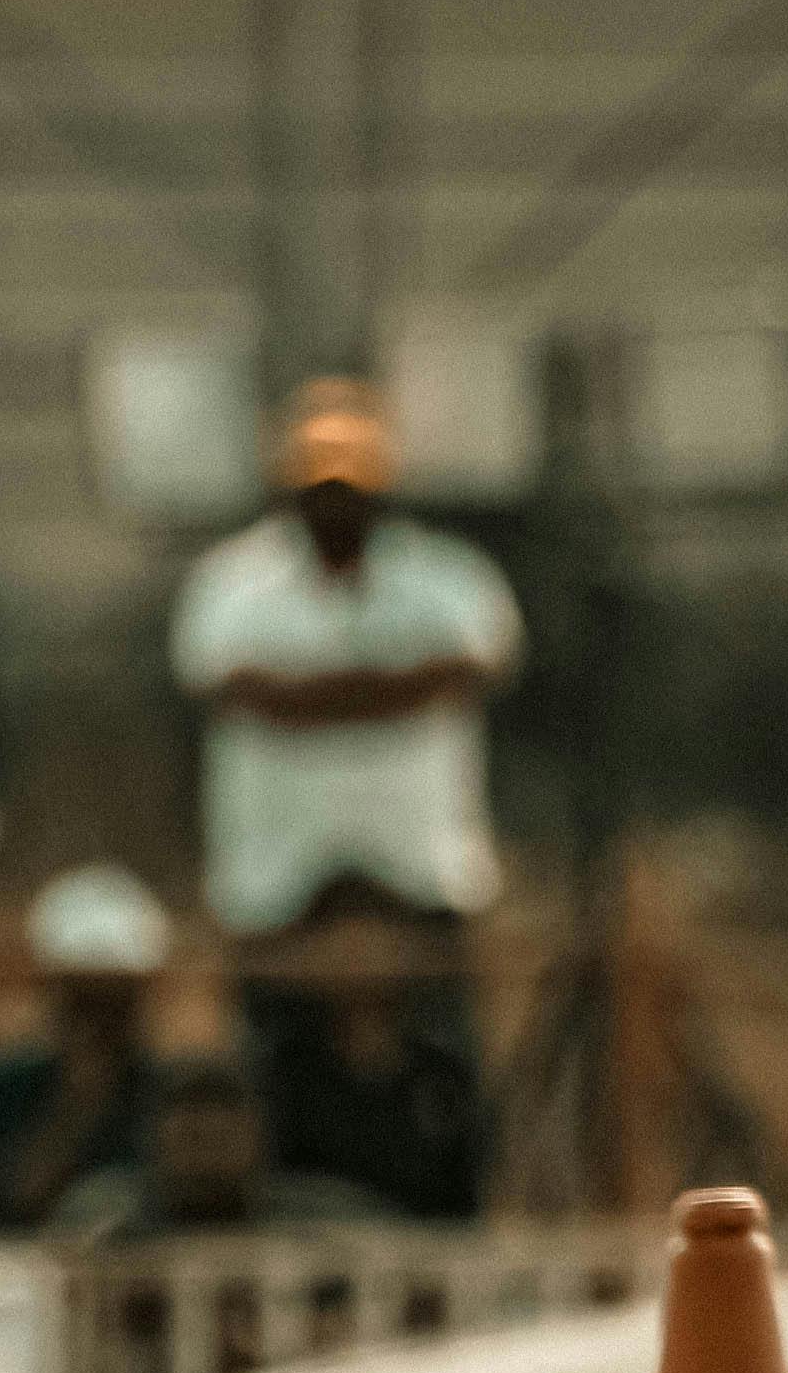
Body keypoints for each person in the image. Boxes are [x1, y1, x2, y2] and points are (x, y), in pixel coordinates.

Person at [174, 378, 519, 949]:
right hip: (277, 856)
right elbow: (227, 685)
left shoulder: (444, 577)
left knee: (432, 1016)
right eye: (320, 491)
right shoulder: (233, 583)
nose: (336, 508)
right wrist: (394, 689)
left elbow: (478, 665)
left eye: (351, 491)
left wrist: (307, 694)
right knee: (280, 1014)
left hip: (416, 850)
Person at [246, 875, 494, 1220]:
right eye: (341, 942)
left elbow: (466, 1198)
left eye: (373, 939)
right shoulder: (283, 1078)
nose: (358, 958)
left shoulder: (444, 1080)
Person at [0, 864, 181, 1234]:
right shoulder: (1, 1092)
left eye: (114, 1000)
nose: (98, 1020)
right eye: (84, 999)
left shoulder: (173, 1092)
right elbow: (6, 1209)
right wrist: (76, 1106)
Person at [46, 1053, 391, 1240]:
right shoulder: (103, 1212)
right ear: (153, 1137)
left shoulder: (327, 1219)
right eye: (193, 1136)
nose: (209, 1151)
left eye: (224, 1136)